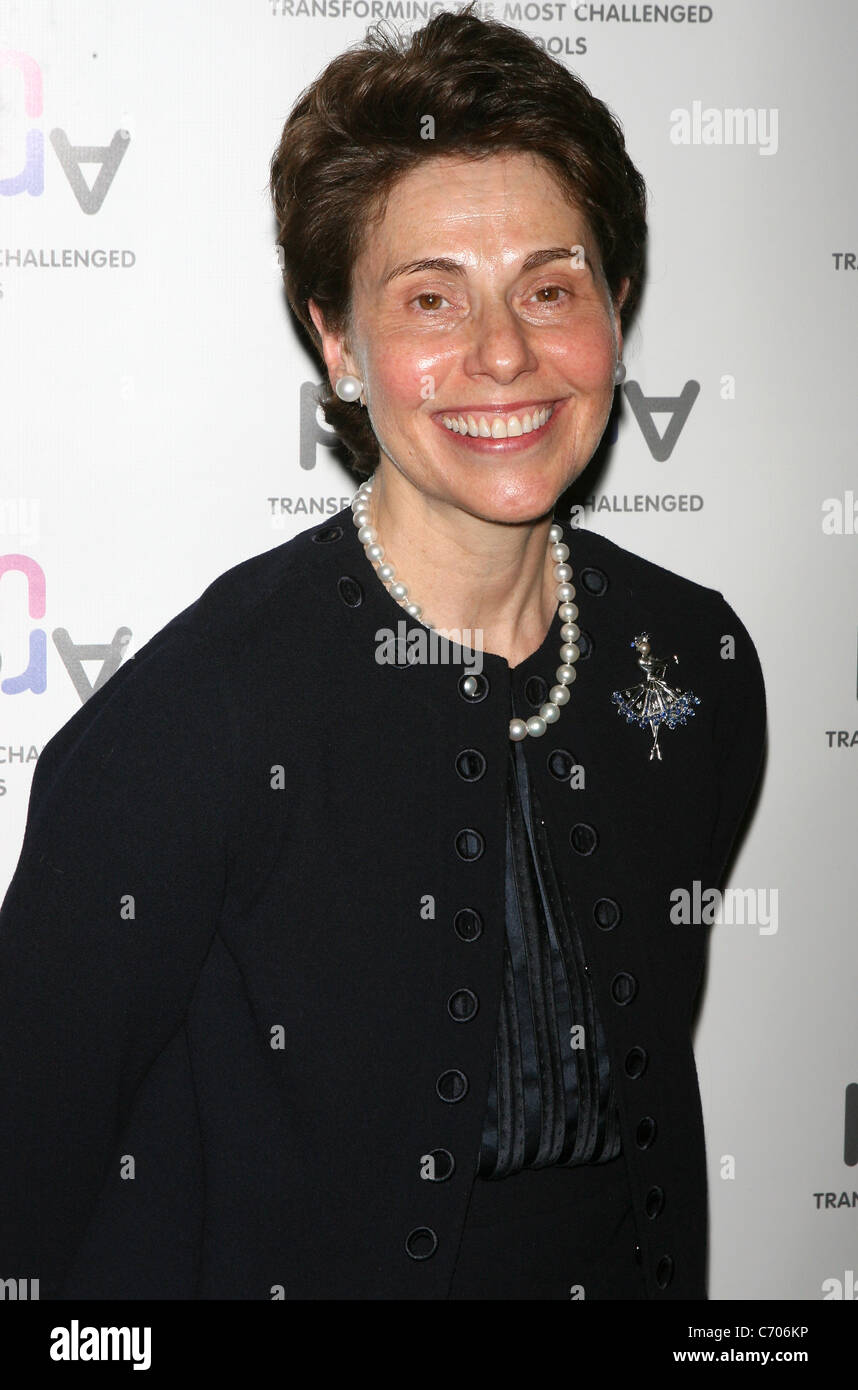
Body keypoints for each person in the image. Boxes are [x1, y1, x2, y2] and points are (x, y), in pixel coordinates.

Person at [0, 6, 766, 1300]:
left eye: (549, 285)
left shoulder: (688, 660)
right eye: (429, 299)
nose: (503, 353)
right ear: (339, 346)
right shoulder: (199, 716)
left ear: (614, 309)